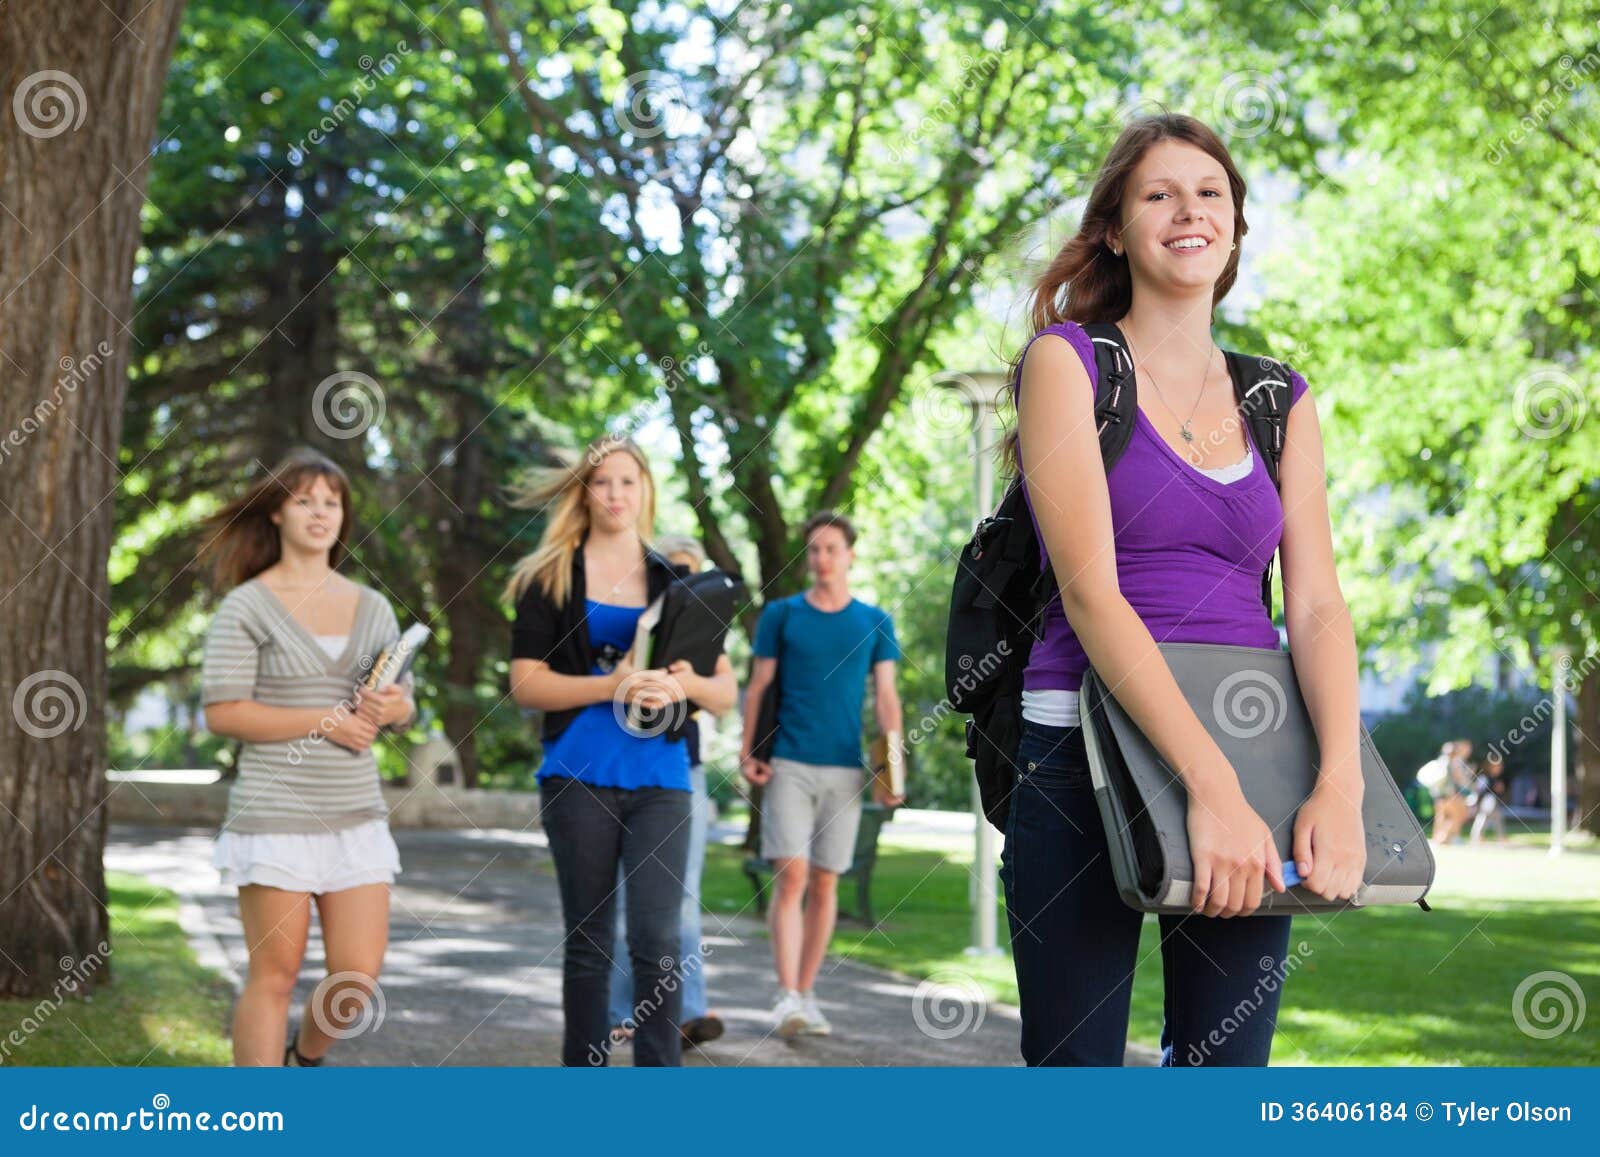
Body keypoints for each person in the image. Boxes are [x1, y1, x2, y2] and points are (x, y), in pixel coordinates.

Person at [999, 114, 1366, 1067]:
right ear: (1117, 229)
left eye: (1211, 193)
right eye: (1158, 193)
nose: (1189, 210)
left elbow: (1318, 604)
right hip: (1082, 749)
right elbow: (1090, 594)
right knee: (1074, 1076)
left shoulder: (1280, 398)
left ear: (1236, 227)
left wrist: (1338, 782)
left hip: (1252, 748)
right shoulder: (1067, 363)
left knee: (1224, 1081)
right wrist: (1212, 788)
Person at [506, 437, 736, 1066]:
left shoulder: (680, 582)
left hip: (662, 777)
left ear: (646, 491)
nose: (615, 494)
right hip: (578, 776)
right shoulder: (547, 577)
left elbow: (723, 690)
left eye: (628, 482)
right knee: (589, 941)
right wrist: (612, 684)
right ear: (583, 492)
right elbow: (526, 684)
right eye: (602, 482)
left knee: (659, 939)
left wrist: (680, 683)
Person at [200, 448, 415, 1067]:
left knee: (355, 981)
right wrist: (327, 722)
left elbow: (404, 708)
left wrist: (394, 706)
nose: (321, 512)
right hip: (274, 815)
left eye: (333, 501)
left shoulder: (372, 607)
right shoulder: (245, 607)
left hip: (355, 813)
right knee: (274, 974)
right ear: (275, 512)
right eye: (305, 500)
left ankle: (303, 1057)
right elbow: (225, 712)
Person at [740, 511, 905, 1039]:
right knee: (792, 876)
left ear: (850, 554)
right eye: (813, 549)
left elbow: (886, 699)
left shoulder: (875, 621)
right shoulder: (782, 616)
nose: (822, 558)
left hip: (845, 769)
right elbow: (759, 687)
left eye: (831, 548)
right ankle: (787, 993)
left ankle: (807, 992)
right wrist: (748, 752)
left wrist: (892, 769)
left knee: (828, 880)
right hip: (788, 760)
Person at [608, 533, 726, 1048]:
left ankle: (686, 1013)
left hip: (684, 771)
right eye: (672, 569)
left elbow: (724, 695)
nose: (681, 581)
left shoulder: (704, 629)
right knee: (619, 896)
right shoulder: (630, 614)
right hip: (622, 768)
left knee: (684, 898)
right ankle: (619, 1013)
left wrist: (688, 681)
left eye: (690, 572)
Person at [1432, 739, 1475, 845]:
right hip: (1450, 795)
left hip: (1438, 794)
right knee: (1458, 816)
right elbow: (1459, 779)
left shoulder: (1440, 761)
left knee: (1441, 816)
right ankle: (1449, 838)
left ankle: (1439, 838)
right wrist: (1471, 780)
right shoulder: (1454, 762)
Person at [1469, 749, 1510, 844]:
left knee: (1496, 817)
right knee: (1484, 818)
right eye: (1497, 766)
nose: (1500, 768)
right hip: (1486, 803)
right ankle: (1478, 837)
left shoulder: (1494, 778)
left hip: (1491, 803)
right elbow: (1479, 791)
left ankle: (1499, 837)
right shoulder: (1484, 777)